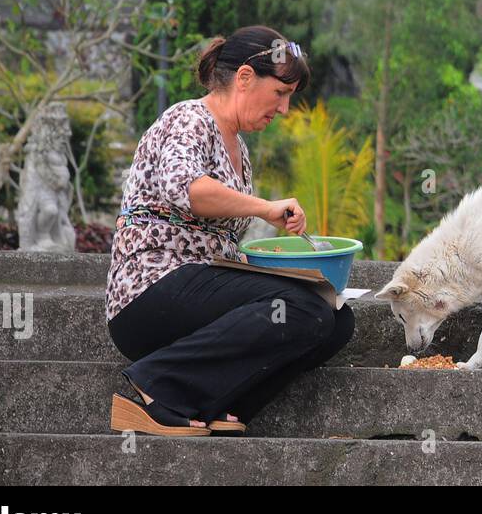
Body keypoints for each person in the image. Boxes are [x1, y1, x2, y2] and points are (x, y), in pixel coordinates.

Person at [106, 26, 354, 436]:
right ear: (243, 78)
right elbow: (185, 188)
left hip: (202, 290)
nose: (285, 108)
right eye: (280, 93)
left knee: (336, 319)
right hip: (151, 290)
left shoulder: (239, 147)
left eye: (290, 97)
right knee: (304, 308)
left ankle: (218, 403)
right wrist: (266, 207)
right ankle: (159, 386)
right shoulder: (189, 119)